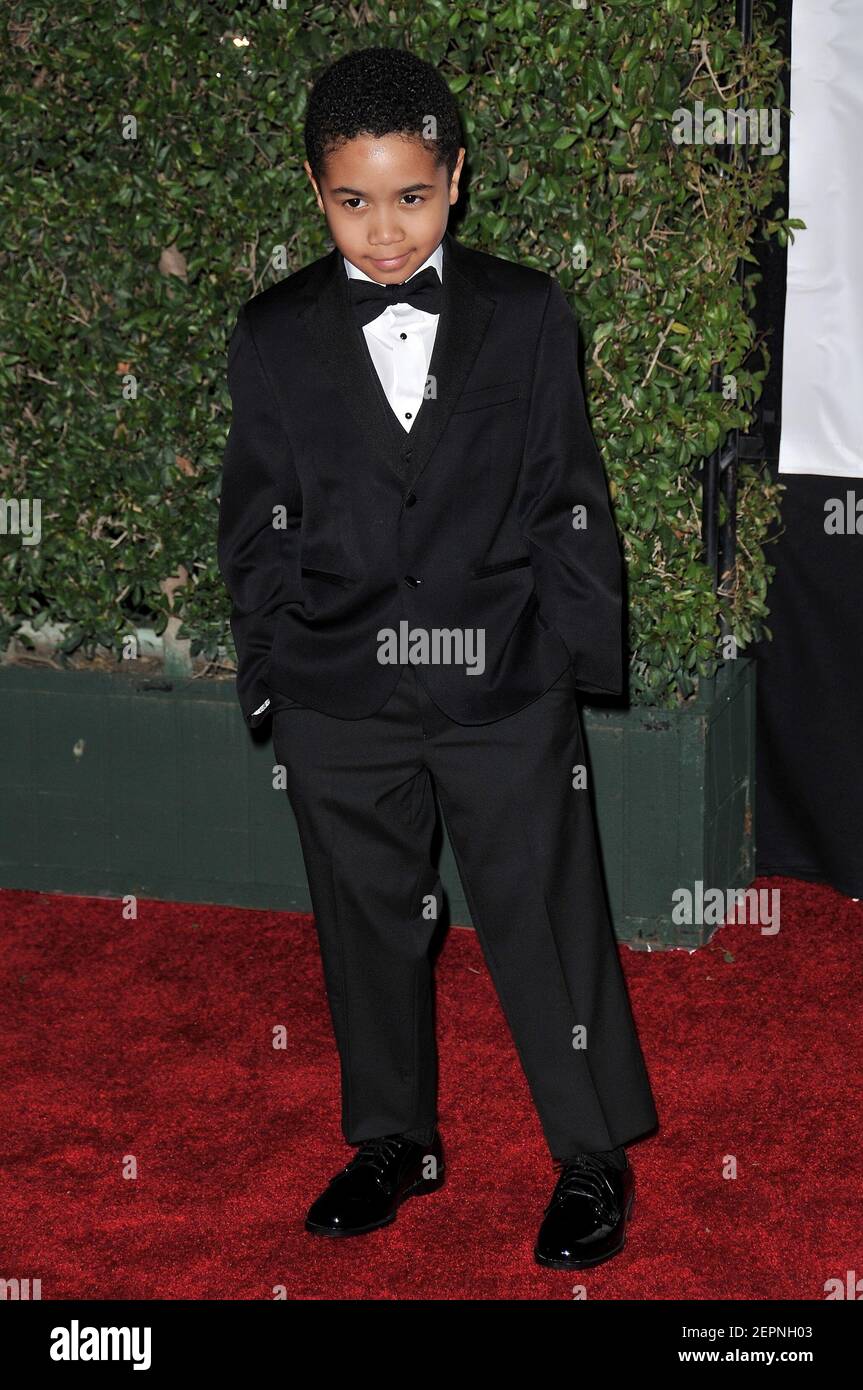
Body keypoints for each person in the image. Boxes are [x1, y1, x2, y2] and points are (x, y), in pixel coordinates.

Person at [217, 45, 658, 1270]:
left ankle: (588, 1157)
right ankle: (394, 1140)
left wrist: (569, 674)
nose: (384, 231)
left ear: (455, 179)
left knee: (543, 921)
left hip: (499, 684)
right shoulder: (274, 333)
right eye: (353, 201)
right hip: (337, 693)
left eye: (410, 196)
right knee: (364, 926)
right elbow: (253, 520)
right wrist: (270, 672)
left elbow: (569, 496)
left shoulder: (523, 314)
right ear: (315, 191)